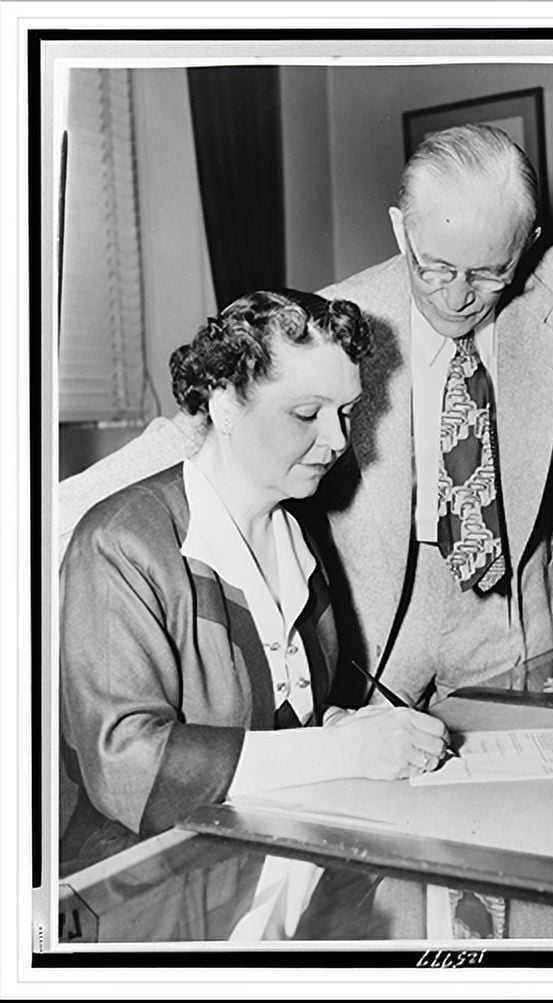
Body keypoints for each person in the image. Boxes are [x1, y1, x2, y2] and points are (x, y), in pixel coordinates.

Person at [59, 289, 450, 938]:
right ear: (224, 404)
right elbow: (127, 766)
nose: (338, 440)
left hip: (266, 869)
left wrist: (342, 721)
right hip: (145, 895)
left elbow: (286, 712)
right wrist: (334, 750)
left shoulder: (298, 532)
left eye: (347, 412)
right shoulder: (121, 542)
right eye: (307, 413)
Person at [313, 123, 553, 712]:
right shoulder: (340, 314)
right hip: (373, 607)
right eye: (435, 268)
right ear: (401, 230)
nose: (457, 299)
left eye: (488, 273)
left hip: (518, 600)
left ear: (527, 245)